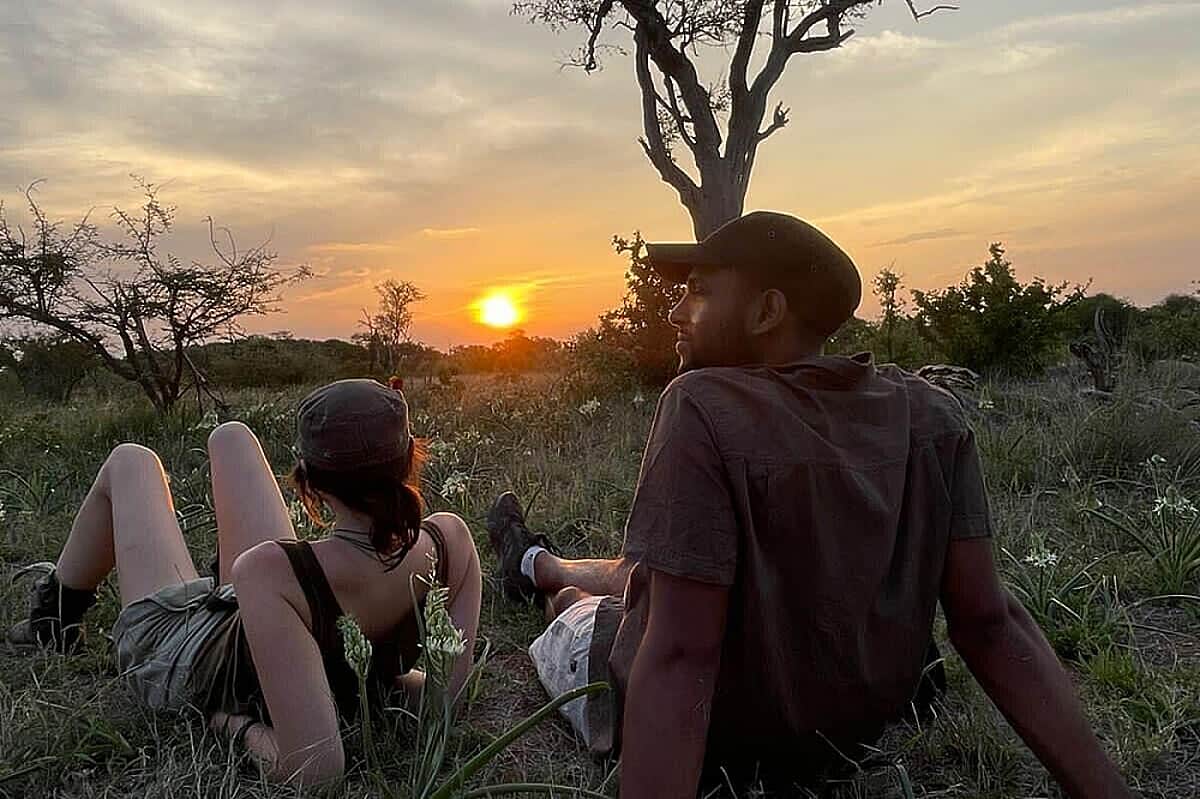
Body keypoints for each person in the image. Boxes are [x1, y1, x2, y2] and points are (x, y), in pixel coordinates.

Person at [486, 211, 1132, 798]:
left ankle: (541, 573)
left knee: (580, 615)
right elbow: (990, 620)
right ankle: (542, 562)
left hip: (728, 737)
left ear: (767, 311)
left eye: (699, 291)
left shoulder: (701, 405)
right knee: (645, 575)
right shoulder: (931, 414)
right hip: (857, 723)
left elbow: (682, 655)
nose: (676, 311)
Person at [8, 379, 481, 786]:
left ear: (311, 484)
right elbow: (445, 700)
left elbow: (315, 771)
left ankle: (54, 617)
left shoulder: (273, 570)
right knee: (231, 435)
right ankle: (61, 611)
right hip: (265, 614)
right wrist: (384, 684)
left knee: (130, 460)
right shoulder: (450, 542)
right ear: (410, 459)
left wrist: (229, 724)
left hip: (184, 655)